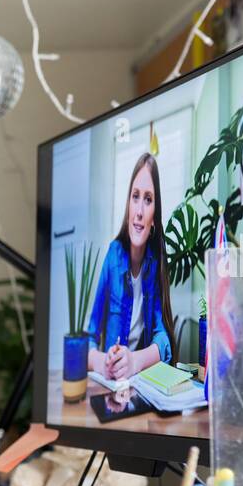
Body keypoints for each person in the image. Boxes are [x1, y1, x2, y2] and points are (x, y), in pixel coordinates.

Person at [86, 152, 176, 381]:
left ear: (154, 216)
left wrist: (135, 361)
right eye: (135, 197)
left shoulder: (155, 263)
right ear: (127, 206)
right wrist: (101, 363)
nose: (139, 212)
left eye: (148, 199)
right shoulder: (113, 256)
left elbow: (163, 339)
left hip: (140, 387)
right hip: (112, 385)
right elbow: (89, 338)